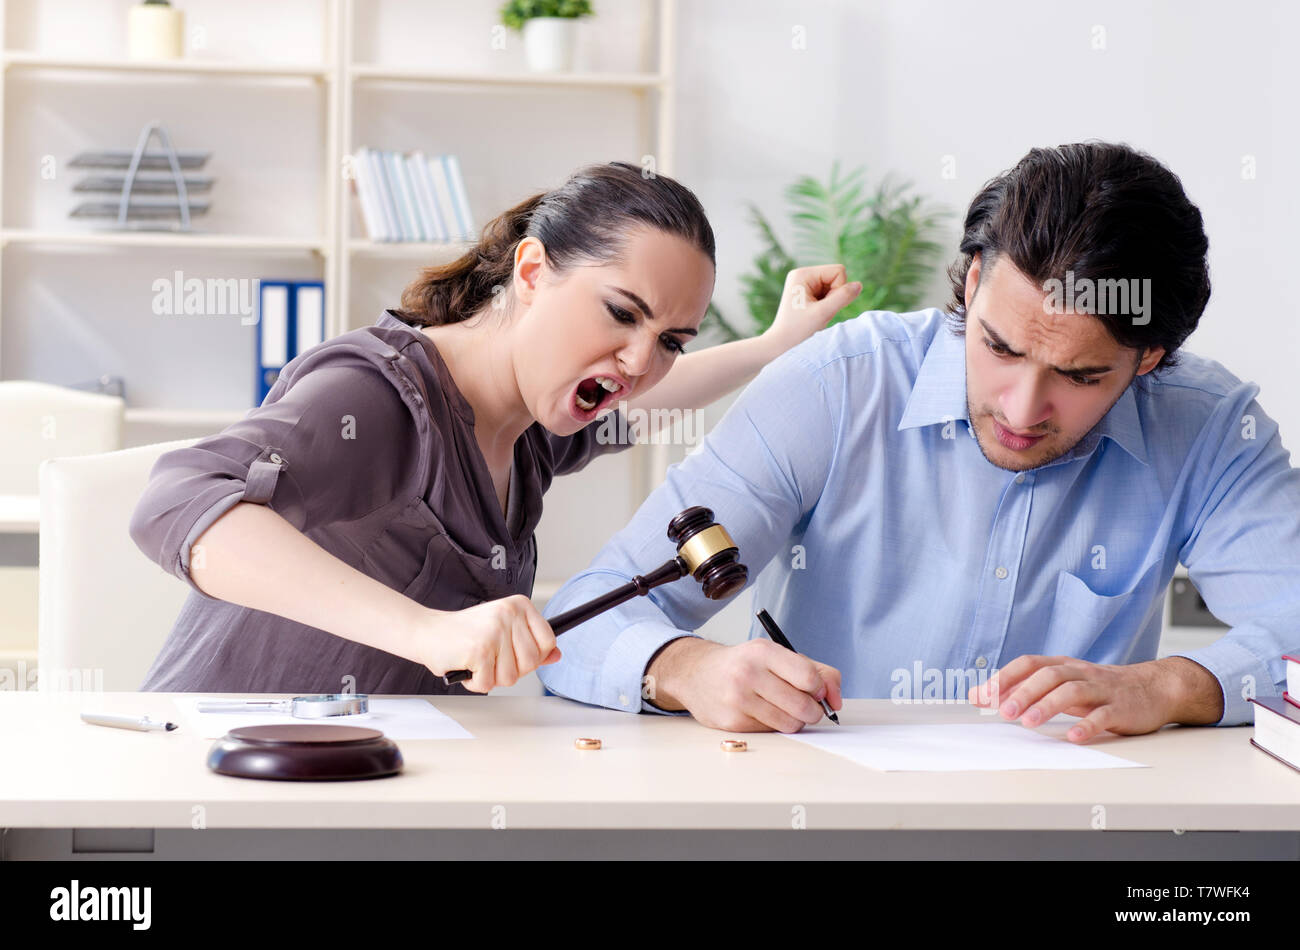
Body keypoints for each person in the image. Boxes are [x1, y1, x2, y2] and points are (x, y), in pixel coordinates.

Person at [538, 142, 1300, 741]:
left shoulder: (1206, 428)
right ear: (972, 284)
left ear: (1151, 360)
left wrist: (1173, 685)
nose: (1022, 407)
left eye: (1079, 375)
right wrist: (685, 667)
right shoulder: (837, 389)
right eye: (1000, 347)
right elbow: (583, 618)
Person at [129, 160, 862, 695]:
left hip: (366, 784)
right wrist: (425, 632)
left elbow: (643, 404)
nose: (640, 362)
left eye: (671, 340)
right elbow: (179, 503)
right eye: (621, 312)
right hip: (226, 781)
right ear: (535, 272)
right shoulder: (380, 400)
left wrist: (773, 345)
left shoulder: (533, 427)